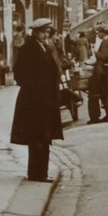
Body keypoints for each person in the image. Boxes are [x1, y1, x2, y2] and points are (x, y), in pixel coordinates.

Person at [12, 18, 65, 181]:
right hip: (34, 101)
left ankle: (40, 172)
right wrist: (35, 89)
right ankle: (37, 173)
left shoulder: (46, 47)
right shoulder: (28, 48)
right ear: (35, 32)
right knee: (37, 137)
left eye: (47, 32)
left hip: (46, 99)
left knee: (44, 136)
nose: (45, 35)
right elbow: (19, 74)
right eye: (43, 32)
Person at [89, 26, 108, 121]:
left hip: (101, 70)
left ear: (102, 33)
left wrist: (96, 52)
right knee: (105, 91)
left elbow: (104, 56)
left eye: (98, 33)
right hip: (107, 68)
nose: (98, 35)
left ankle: (94, 117)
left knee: (94, 92)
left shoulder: (105, 42)